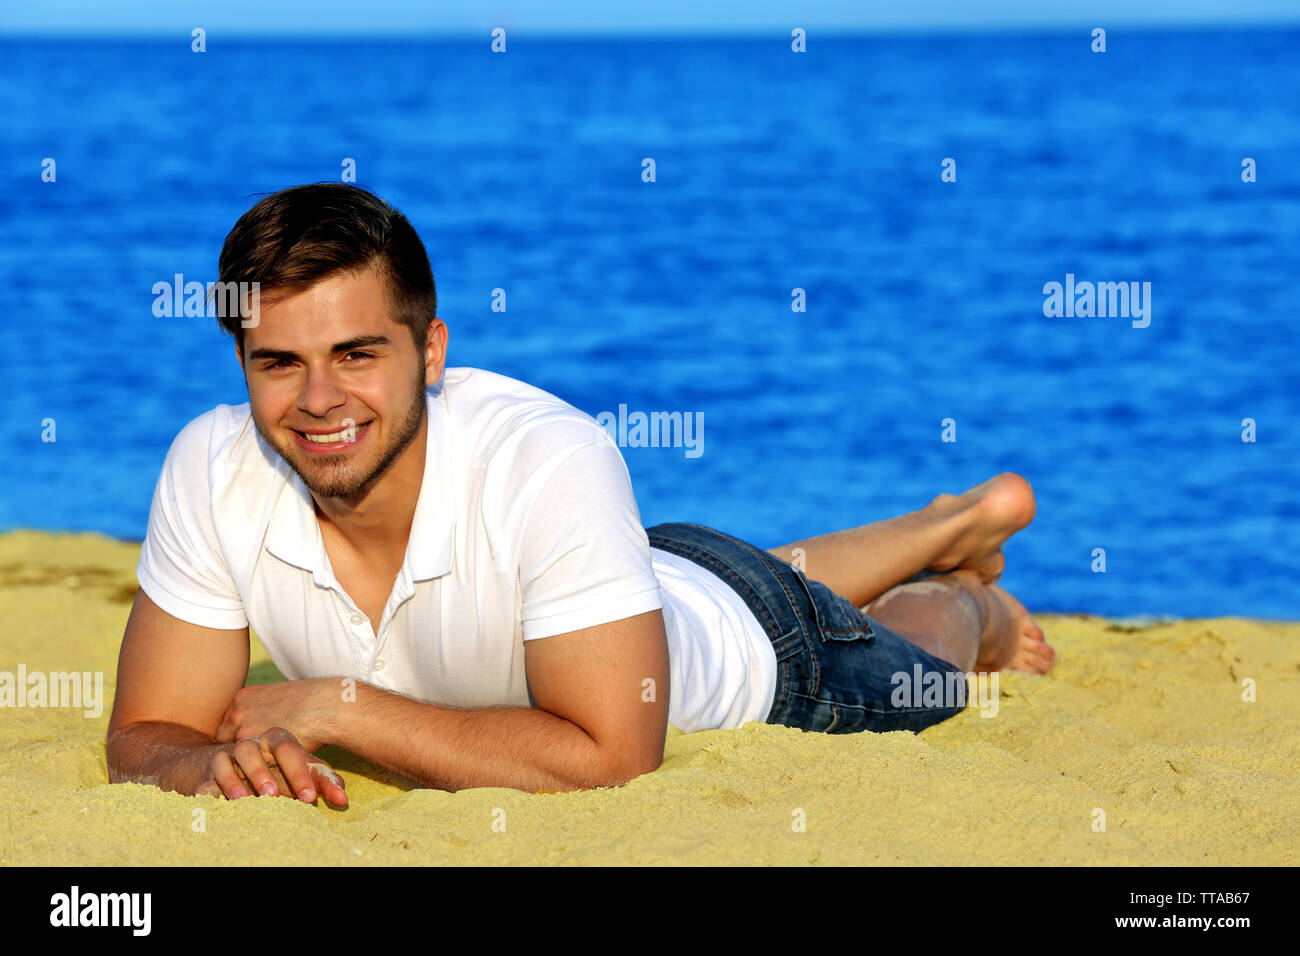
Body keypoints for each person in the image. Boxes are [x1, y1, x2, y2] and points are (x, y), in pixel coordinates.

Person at [105, 183, 1055, 809]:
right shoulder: (210, 463)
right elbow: (148, 734)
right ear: (241, 363)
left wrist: (342, 710)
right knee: (750, 572)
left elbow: (611, 756)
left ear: (430, 351)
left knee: (916, 660)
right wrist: (204, 764)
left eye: (357, 353)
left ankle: (972, 590)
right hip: (652, 573)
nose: (319, 400)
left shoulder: (551, 459)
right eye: (280, 362)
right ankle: (942, 520)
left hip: (774, 656)